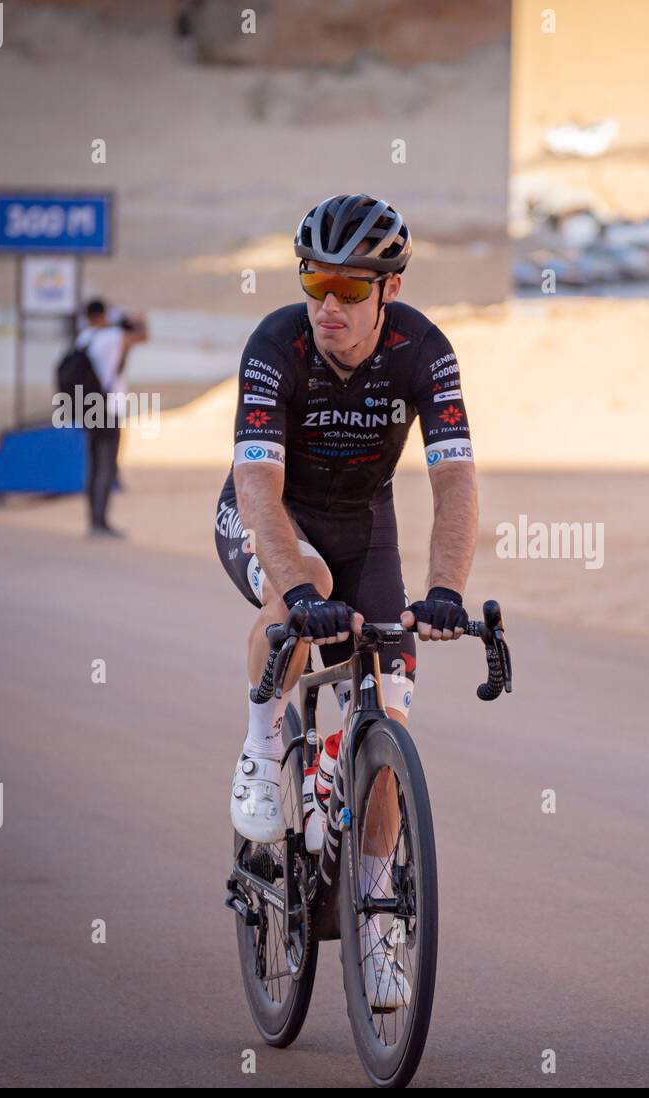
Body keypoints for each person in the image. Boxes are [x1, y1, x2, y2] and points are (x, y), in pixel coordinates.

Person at [215, 194, 477, 1005]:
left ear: (387, 291)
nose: (328, 304)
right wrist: (293, 581)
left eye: (350, 289)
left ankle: (374, 922)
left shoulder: (424, 352)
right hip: (271, 514)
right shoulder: (274, 345)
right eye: (315, 281)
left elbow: (455, 479)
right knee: (310, 594)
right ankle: (264, 745)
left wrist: (445, 592)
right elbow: (258, 485)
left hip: (366, 520)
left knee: (389, 714)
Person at [74, 298, 147, 537]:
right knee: (106, 465)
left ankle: (92, 519)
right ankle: (100, 523)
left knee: (93, 464)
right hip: (108, 408)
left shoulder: (84, 338)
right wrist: (135, 321)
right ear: (103, 315)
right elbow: (141, 336)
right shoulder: (112, 337)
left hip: (87, 406)